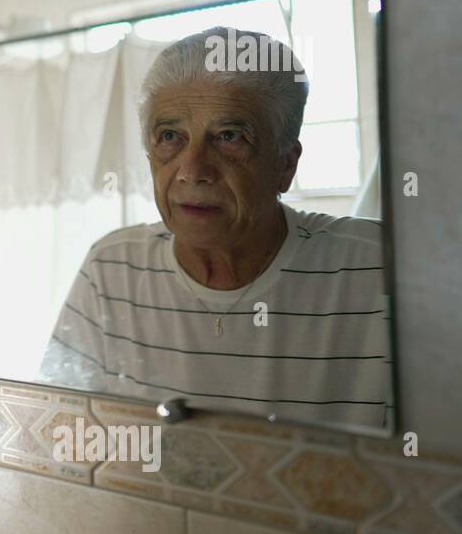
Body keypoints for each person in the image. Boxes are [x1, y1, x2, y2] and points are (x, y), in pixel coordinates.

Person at [42, 27, 390, 429]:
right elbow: (60, 432)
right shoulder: (112, 267)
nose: (193, 171)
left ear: (286, 165)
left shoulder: (375, 266)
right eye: (170, 136)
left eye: (229, 137)